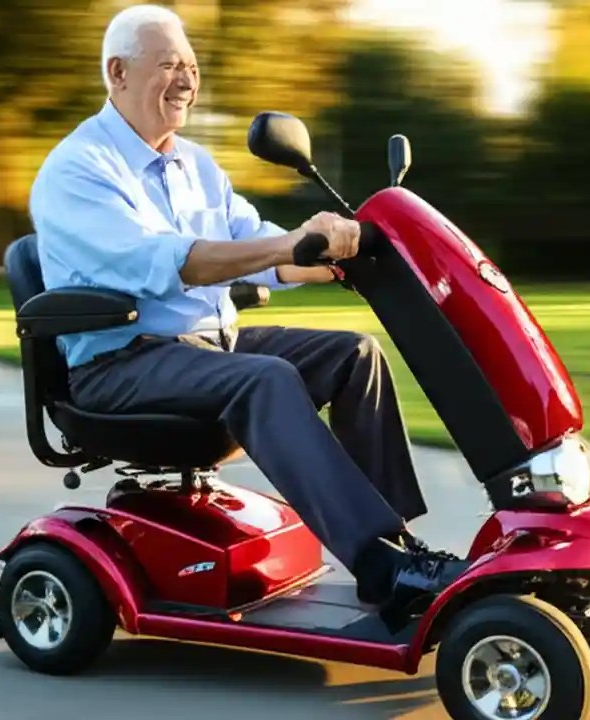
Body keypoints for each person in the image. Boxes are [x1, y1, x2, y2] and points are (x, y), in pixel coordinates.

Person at [28, 4, 465, 611]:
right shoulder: (78, 171)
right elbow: (175, 262)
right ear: (117, 73)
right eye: (168, 65)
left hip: (208, 347)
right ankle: (379, 562)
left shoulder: (195, 166)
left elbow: (266, 251)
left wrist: (351, 252)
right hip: (120, 365)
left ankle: (395, 541)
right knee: (268, 381)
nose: (185, 79)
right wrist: (288, 243)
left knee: (354, 355)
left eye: (191, 66)